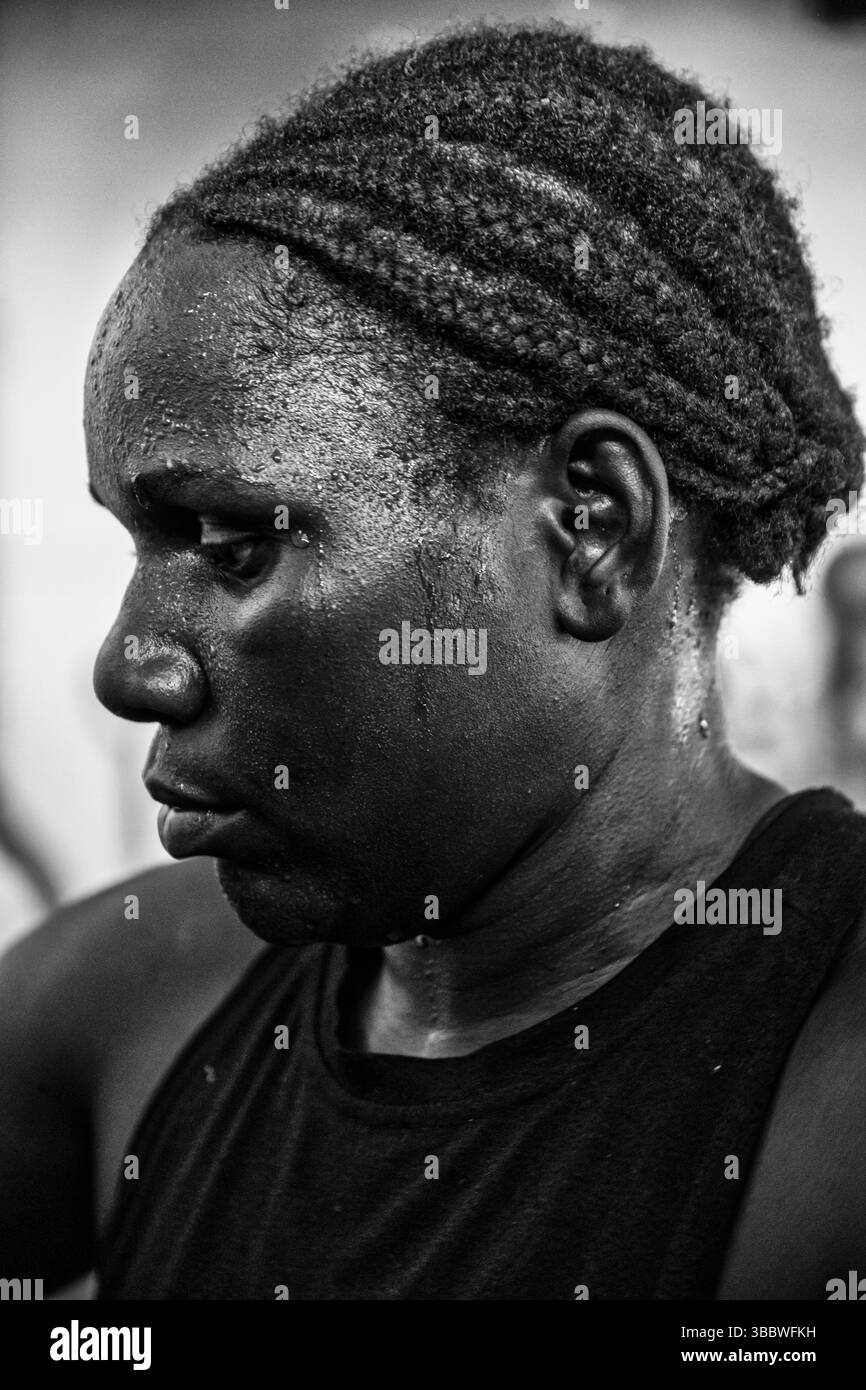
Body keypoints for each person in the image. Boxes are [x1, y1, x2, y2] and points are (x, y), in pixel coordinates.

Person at [2, 21, 865, 1301]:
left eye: (234, 543)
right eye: (137, 541)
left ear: (590, 527)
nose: (131, 671)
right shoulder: (115, 1006)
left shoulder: (824, 1095)